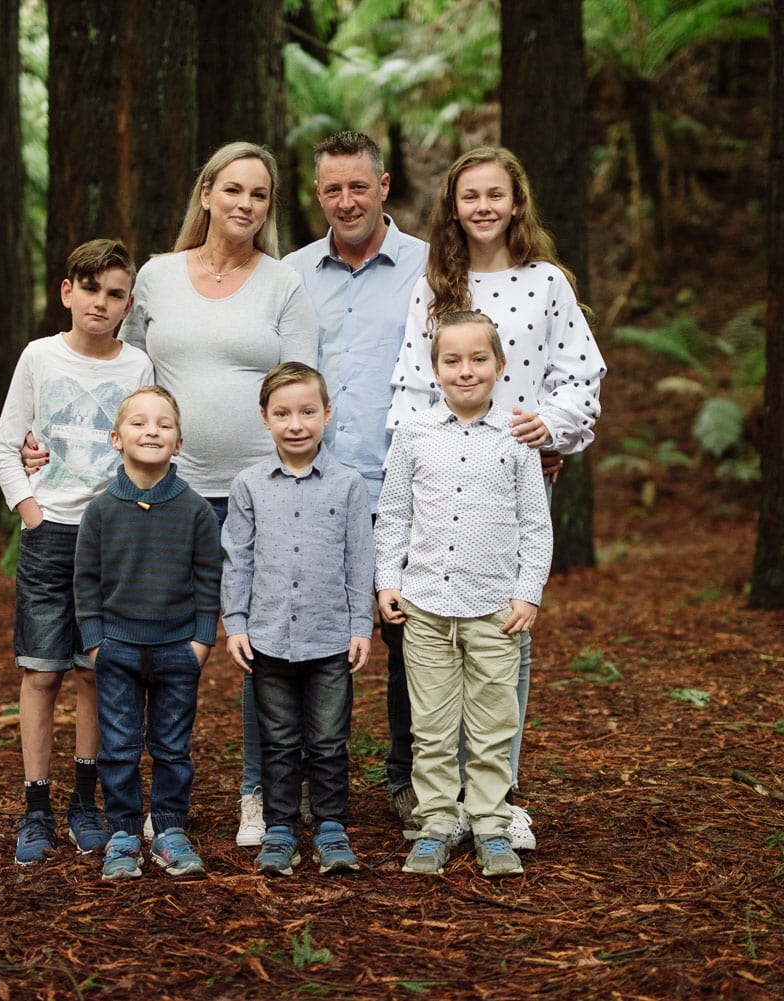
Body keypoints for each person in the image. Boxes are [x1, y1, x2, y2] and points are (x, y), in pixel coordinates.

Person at [386, 146, 607, 851]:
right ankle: (441, 802)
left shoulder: (547, 283)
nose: (483, 206)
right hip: (439, 473)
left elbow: (581, 374)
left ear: (517, 202)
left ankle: (500, 797)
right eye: (469, 195)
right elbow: (411, 383)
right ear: (452, 206)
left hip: (516, 472)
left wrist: (555, 424)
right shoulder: (436, 283)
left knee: (503, 633)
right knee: (437, 642)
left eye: (496, 194)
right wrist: (412, 453)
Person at [119, 141, 318, 848]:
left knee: (261, 651)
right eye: (232, 189)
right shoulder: (156, 277)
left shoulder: (283, 284)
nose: (245, 204)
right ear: (205, 193)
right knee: (168, 650)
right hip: (169, 495)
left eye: (259, 194)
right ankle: (162, 801)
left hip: (264, 494)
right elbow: (128, 373)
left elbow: (303, 384)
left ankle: (258, 796)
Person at [282, 131, 427, 835]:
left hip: (406, 489)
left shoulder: (430, 267)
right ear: (318, 194)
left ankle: (409, 780)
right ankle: (312, 786)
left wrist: (539, 433)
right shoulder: (290, 274)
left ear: (385, 185)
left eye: (359, 186)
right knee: (310, 644)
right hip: (313, 488)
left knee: (411, 646)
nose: (346, 201)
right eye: (333, 189)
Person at [0, 239, 153, 865]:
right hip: (50, 532)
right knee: (42, 671)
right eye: (90, 289)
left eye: (114, 294)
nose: (100, 302)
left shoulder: (135, 368)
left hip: (111, 536)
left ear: (127, 305)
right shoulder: (40, 357)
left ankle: (86, 801)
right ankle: (36, 807)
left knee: (95, 670)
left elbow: (144, 445)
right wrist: (31, 512)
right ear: (67, 292)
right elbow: (8, 445)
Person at [375, 311, 552, 878]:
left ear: (499, 366)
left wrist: (528, 592)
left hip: (494, 610)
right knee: (429, 726)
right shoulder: (414, 434)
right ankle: (435, 824)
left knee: (494, 722)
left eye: (478, 359)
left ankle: (491, 826)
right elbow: (394, 515)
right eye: (452, 360)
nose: (466, 370)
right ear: (434, 369)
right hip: (425, 607)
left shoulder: (517, 435)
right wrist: (388, 580)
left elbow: (535, 524)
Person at [221, 363, 375, 877]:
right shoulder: (248, 486)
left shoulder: (350, 485)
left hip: (330, 640)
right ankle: (281, 827)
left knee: (329, 740)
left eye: (308, 412)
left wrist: (361, 625)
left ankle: (331, 827)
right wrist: (236, 623)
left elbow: (360, 559)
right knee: (279, 740)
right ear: (264, 418)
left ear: (327, 414)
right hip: (267, 640)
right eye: (282, 413)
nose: (296, 424)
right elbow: (238, 558)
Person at [75, 386, 221, 881]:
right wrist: (96, 641)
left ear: (179, 443)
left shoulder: (196, 511)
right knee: (117, 745)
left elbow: (208, 579)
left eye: (163, 424)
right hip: (116, 648)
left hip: (178, 649)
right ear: (116, 439)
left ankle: (169, 830)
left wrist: (201, 640)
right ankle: (122, 831)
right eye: (139, 423)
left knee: (171, 746)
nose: (152, 431)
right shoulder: (99, 512)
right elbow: (86, 582)